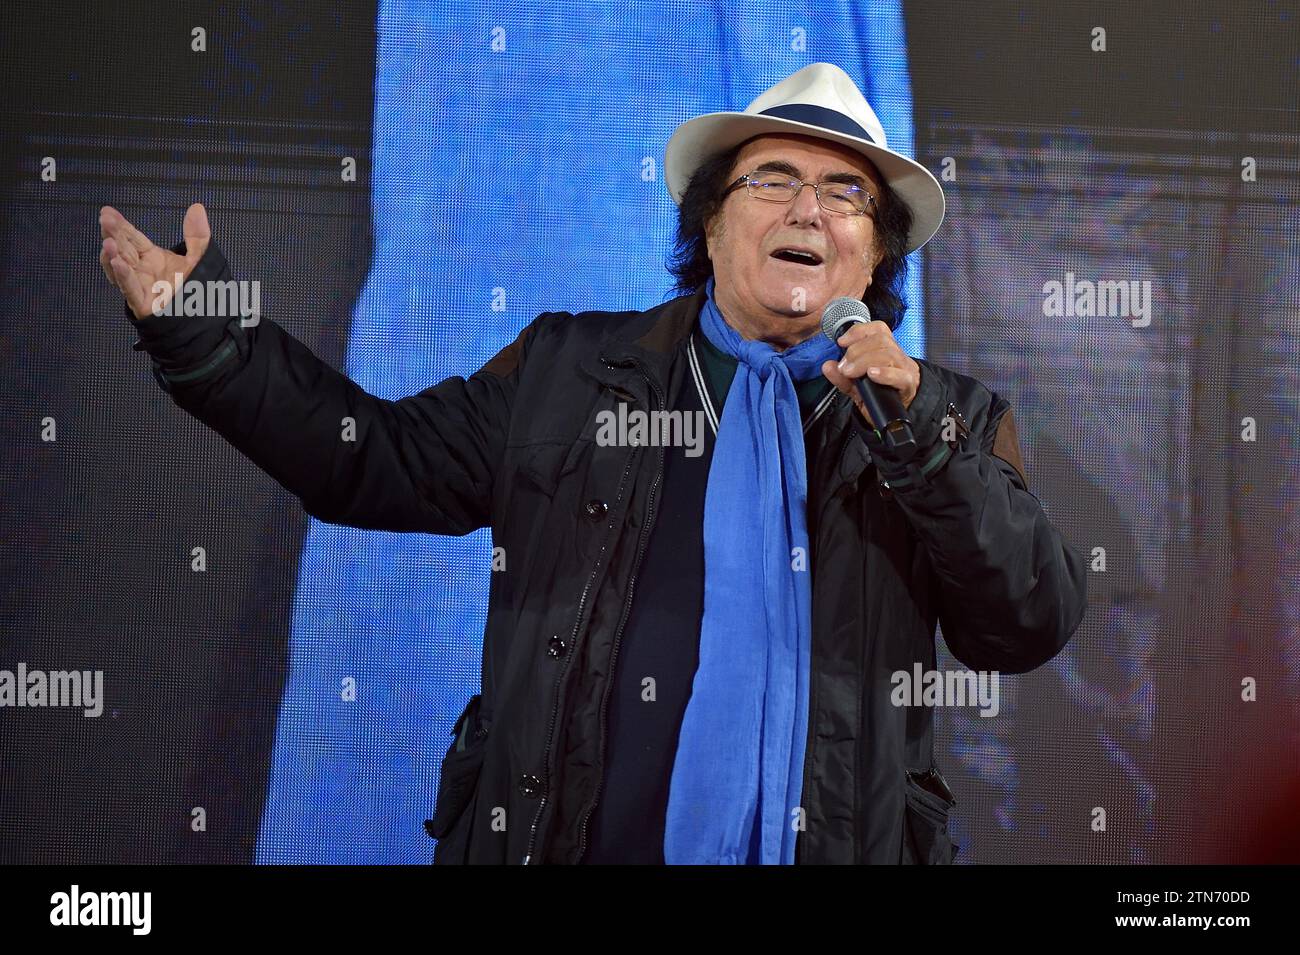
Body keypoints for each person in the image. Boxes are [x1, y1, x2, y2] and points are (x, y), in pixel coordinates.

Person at [99, 62, 1087, 864]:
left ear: (874, 257)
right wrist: (209, 337)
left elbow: (1025, 619)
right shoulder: (571, 372)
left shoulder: (947, 416)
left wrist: (915, 436)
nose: (808, 211)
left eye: (845, 194)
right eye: (772, 180)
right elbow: (372, 460)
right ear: (708, 223)